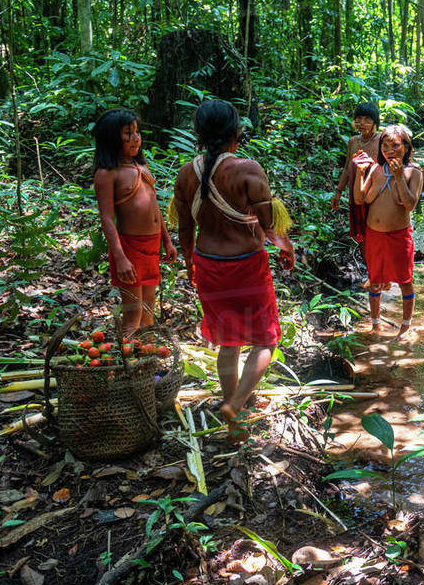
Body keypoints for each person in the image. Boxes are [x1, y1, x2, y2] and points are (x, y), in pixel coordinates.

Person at [172, 100, 295, 442]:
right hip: (246, 267)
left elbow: (185, 229)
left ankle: (234, 425)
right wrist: (288, 248)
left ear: (198, 134)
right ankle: (237, 404)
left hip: (208, 266)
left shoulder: (185, 174)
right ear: (236, 133)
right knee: (266, 340)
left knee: (229, 341)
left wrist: (189, 264)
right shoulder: (248, 170)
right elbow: (271, 228)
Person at [92, 108, 177, 336]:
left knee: (148, 313)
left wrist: (167, 241)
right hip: (129, 250)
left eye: (137, 132)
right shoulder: (107, 173)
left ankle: (146, 362)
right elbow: (107, 218)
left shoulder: (142, 167)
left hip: (152, 247)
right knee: (133, 315)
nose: (135, 138)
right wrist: (120, 257)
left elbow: (155, 208)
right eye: (128, 133)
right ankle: (128, 365)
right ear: (112, 137)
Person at [356, 125, 423, 338]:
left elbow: (410, 204)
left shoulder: (414, 172)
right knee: (374, 279)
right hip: (374, 234)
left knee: (404, 281)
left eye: (395, 145)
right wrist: (360, 173)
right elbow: (360, 199)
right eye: (385, 145)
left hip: (399, 236)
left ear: (406, 147)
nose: (389, 149)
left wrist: (399, 176)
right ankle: (375, 324)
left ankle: (405, 325)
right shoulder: (375, 169)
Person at [331, 103, 382, 244]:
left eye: (367, 119)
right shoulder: (353, 141)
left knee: (377, 233)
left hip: (376, 196)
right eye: (358, 119)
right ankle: (368, 266)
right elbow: (347, 168)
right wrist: (338, 192)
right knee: (361, 236)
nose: (362, 123)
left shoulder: (382, 140)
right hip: (356, 194)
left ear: (375, 122)